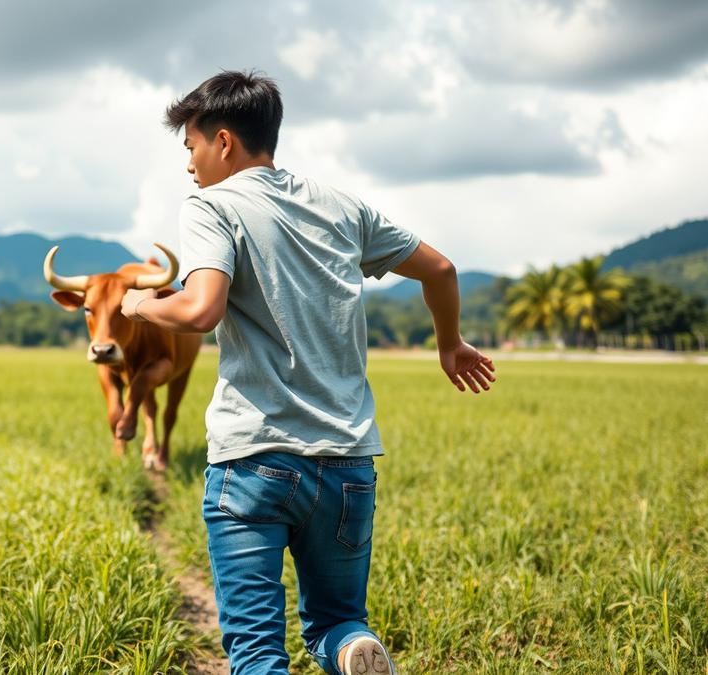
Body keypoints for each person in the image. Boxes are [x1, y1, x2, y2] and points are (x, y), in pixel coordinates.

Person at [120, 70, 496, 674]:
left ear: (222, 141)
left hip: (254, 462)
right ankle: (351, 649)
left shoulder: (211, 206)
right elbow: (443, 269)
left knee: (258, 653)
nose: (188, 166)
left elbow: (199, 308)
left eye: (189, 148)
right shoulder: (340, 206)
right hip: (347, 465)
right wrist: (449, 345)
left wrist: (138, 304)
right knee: (336, 621)